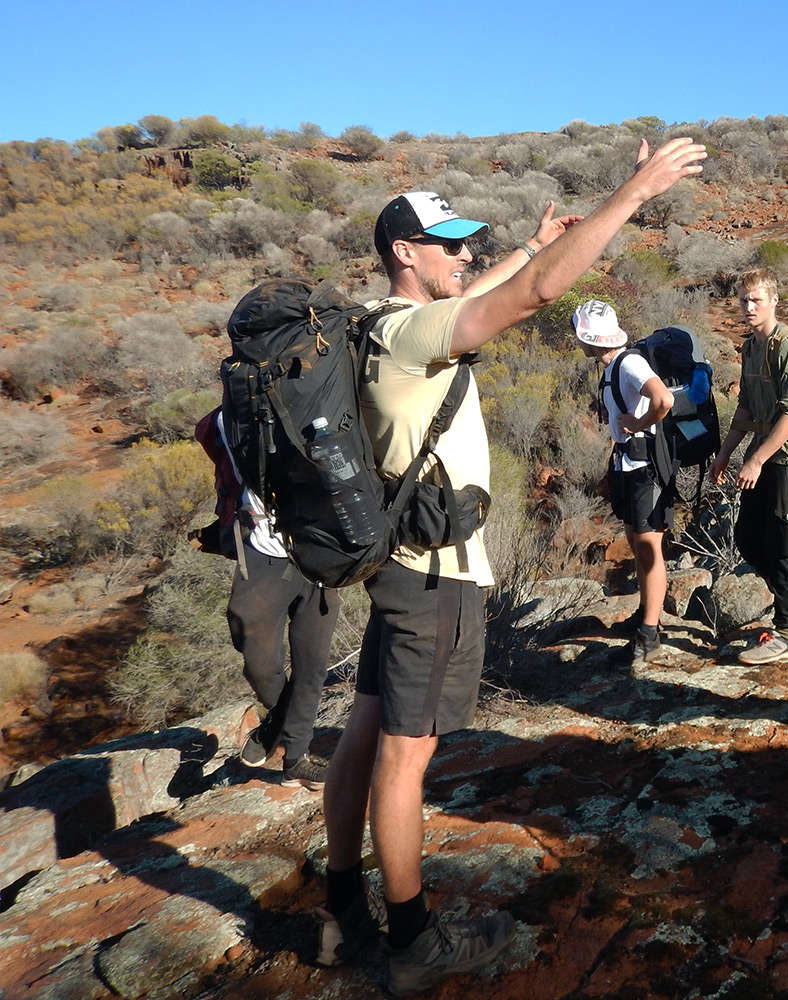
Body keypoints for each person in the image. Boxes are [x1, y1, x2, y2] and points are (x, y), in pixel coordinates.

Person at [315, 138, 705, 995]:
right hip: (436, 574)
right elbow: (537, 295)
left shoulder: (373, 326)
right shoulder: (418, 333)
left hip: (396, 566)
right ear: (402, 254)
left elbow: (505, 282)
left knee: (364, 727)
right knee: (405, 756)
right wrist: (633, 193)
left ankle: (341, 909)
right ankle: (414, 943)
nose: (465, 255)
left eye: (467, 242)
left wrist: (529, 244)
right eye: (447, 244)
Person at [211, 410, 343, 791]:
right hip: (263, 553)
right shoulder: (228, 416)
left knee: (312, 661)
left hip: (321, 550)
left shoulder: (327, 404)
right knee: (256, 652)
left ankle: (296, 758)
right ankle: (279, 718)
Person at [708, 268, 788, 664]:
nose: (749, 307)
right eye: (743, 300)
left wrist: (754, 459)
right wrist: (725, 453)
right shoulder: (751, 347)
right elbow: (746, 406)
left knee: (783, 547)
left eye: (756, 300)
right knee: (749, 538)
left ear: (774, 300)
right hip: (762, 455)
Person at [574, 299, 676, 666]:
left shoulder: (629, 363)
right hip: (628, 464)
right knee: (636, 541)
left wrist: (640, 423)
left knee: (649, 548)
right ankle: (646, 616)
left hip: (645, 467)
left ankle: (649, 634)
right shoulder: (612, 367)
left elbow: (662, 398)